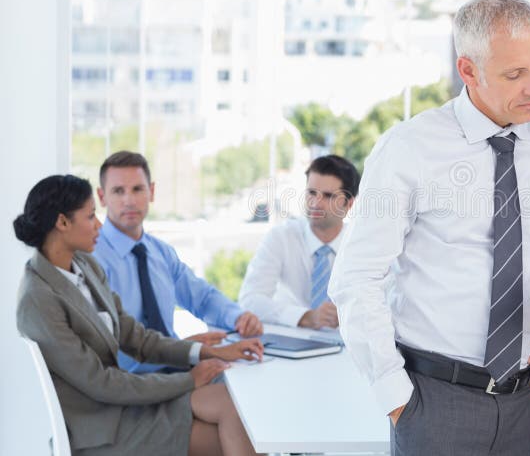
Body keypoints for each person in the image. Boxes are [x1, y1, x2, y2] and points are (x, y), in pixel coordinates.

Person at [328, 0, 530, 456]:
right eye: (515, 74)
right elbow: (356, 276)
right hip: (433, 400)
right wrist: (395, 396)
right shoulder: (409, 148)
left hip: (523, 398)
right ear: (468, 70)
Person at [15, 174, 264, 455]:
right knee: (234, 434)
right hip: (99, 428)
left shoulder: (84, 265)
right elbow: (99, 382)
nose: (99, 224)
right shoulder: (38, 298)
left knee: (236, 407)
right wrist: (189, 380)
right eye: (90, 216)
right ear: (62, 222)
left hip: (122, 408)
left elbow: (136, 338)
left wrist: (205, 353)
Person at [92, 151, 263, 374]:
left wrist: (239, 317)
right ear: (102, 197)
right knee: (229, 398)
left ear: (151, 192)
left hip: (178, 368)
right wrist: (183, 349)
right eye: (118, 191)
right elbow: (102, 343)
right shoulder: (91, 258)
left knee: (245, 380)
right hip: (133, 381)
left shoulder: (160, 252)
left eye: (137, 189)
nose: (129, 200)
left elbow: (202, 298)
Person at [238, 155, 360, 329]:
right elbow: (249, 300)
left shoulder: (360, 246)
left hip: (346, 345)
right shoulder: (281, 237)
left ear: (349, 204)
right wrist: (306, 317)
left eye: (328, 196)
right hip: (292, 340)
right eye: (311, 193)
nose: (316, 203)